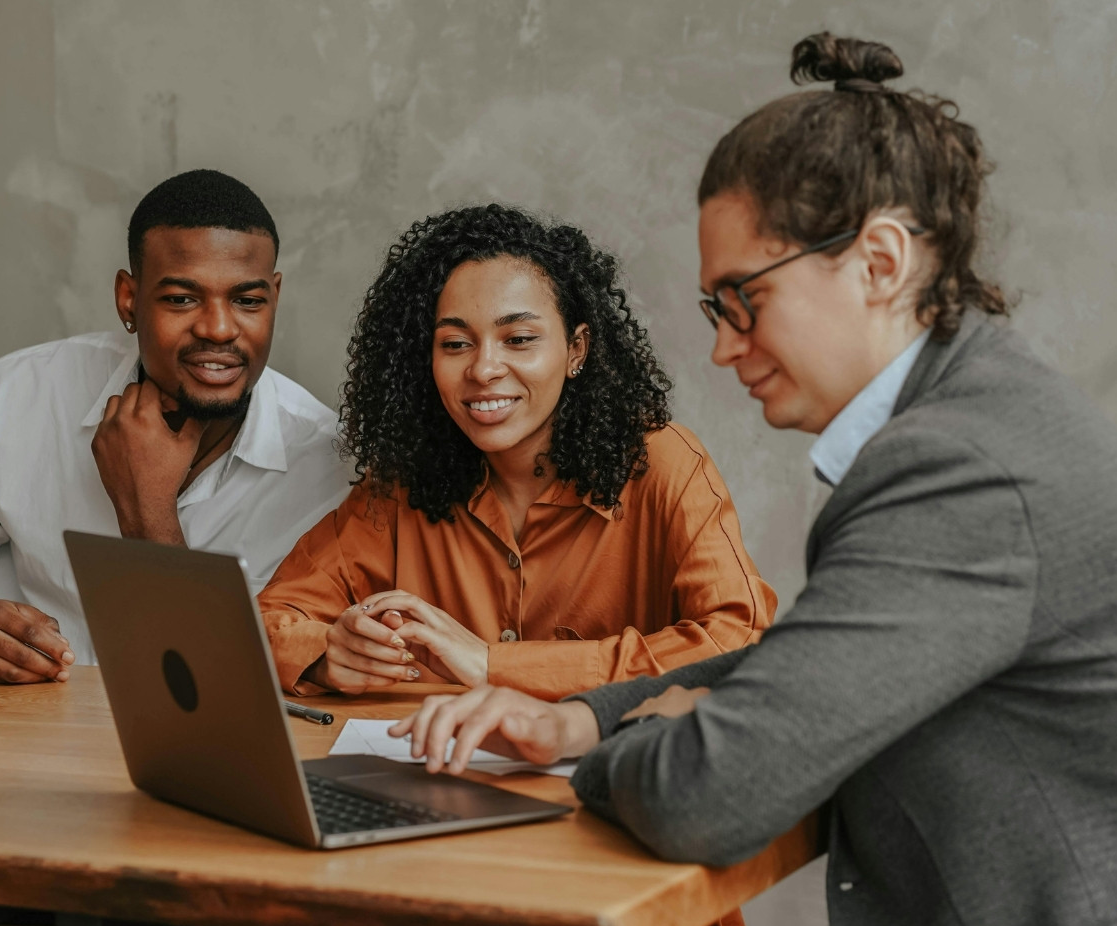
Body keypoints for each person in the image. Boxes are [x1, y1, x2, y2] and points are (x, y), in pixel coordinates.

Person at [393, 34, 1117, 926]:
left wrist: (632, 741)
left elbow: (708, 798)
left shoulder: (960, 466)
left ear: (879, 263)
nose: (722, 346)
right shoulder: (978, 415)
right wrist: (581, 721)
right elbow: (811, 664)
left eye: (745, 299)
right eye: (717, 309)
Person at [0, 169, 352, 684]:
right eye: (181, 299)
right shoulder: (11, 400)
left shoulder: (329, 468)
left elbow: (229, 682)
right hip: (24, 757)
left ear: (274, 298)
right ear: (128, 298)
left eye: (247, 300)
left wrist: (148, 515)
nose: (218, 328)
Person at [260, 204, 776, 701]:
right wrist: (329, 652)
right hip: (437, 779)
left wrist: (492, 665)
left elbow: (740, 640)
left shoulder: (663, 465)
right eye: (456, 344)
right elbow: (265, 620)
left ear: (577, 349)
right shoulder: (402, 484)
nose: (484, 369)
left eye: (519, 339)